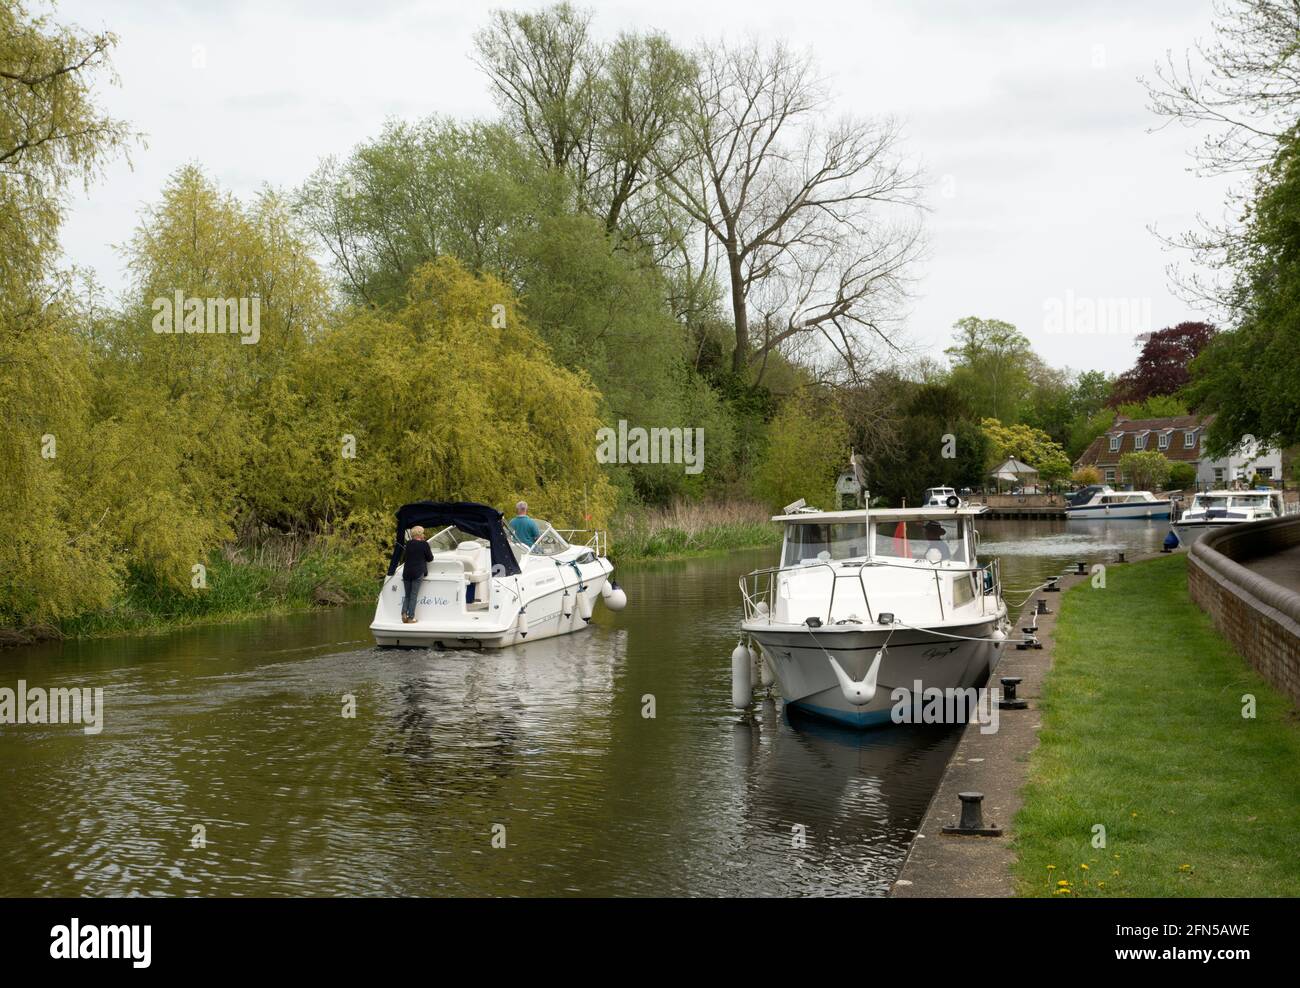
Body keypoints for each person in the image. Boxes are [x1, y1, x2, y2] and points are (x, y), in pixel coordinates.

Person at [401, 525, 433, 624]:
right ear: (420, 534)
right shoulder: (424, 545)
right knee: (413, 595)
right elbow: (430, 558)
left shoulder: (408, 544)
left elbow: (404, 558)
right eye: (423, 533)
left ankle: (403, 613)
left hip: (407, 572)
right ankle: (411, 618)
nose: (424, 534)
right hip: (418, 572)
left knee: (407, 595)